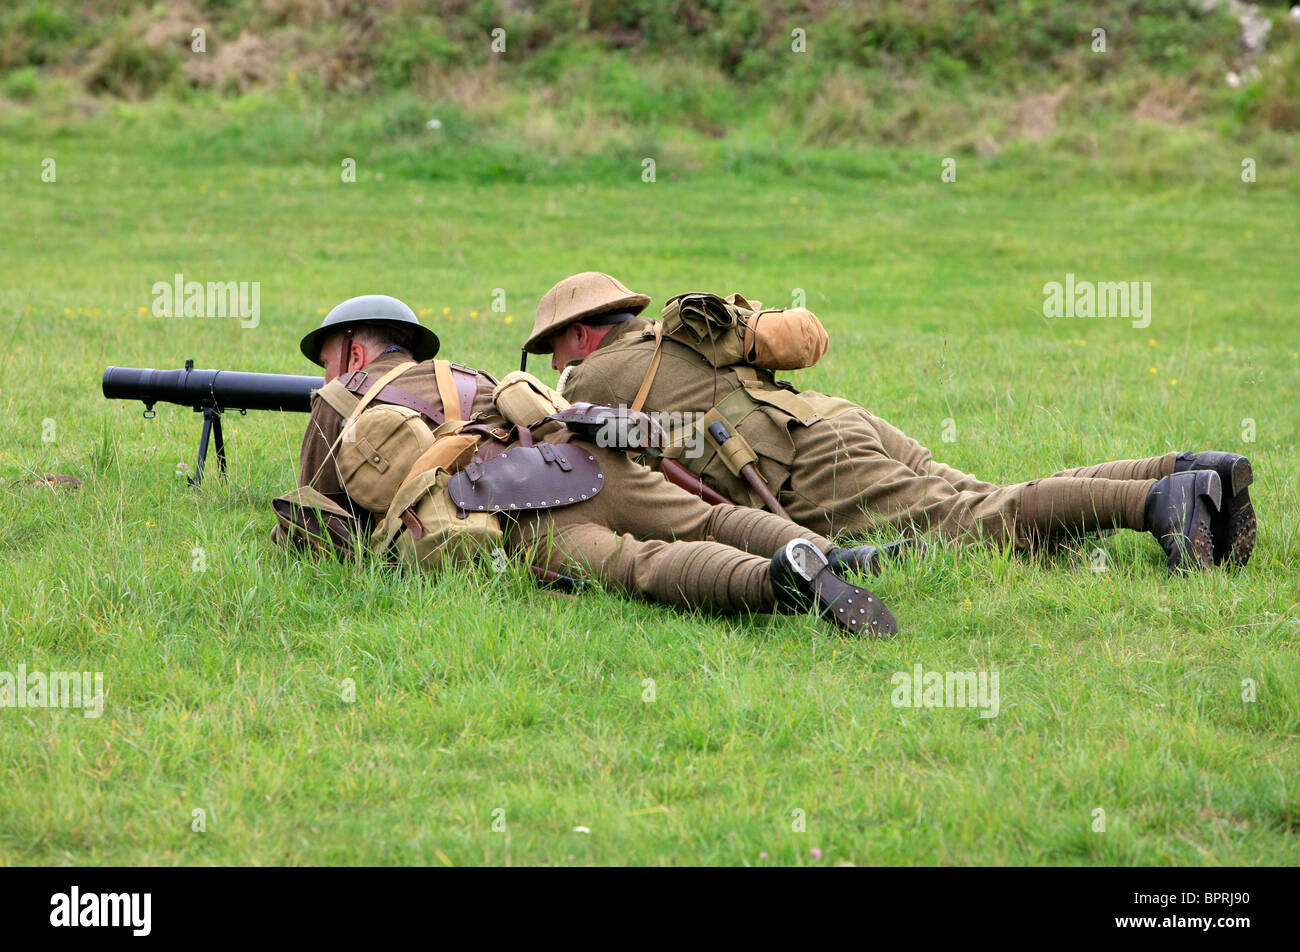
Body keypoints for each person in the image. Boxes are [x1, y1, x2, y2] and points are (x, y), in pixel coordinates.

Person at [524, 272, 1256, 573]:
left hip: (799, 462)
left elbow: (571, 449)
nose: (555, 361)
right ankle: (1192, 470)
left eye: (554, 346)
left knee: (973, 522)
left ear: (582, 333)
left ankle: (1159, 504)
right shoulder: (670, 335)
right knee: (986, 497)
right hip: (831, 419)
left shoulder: (592, 377)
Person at [287, 293, 910, 636]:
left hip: (514, 504)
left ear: (355, 351)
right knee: (708, 522)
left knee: (642, 566)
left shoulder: (338, 401)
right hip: (587, 456)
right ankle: (830, 553)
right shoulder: (467, 376)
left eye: (328, 358)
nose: (326, 371)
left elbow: (315, 523)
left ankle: (778, 581)